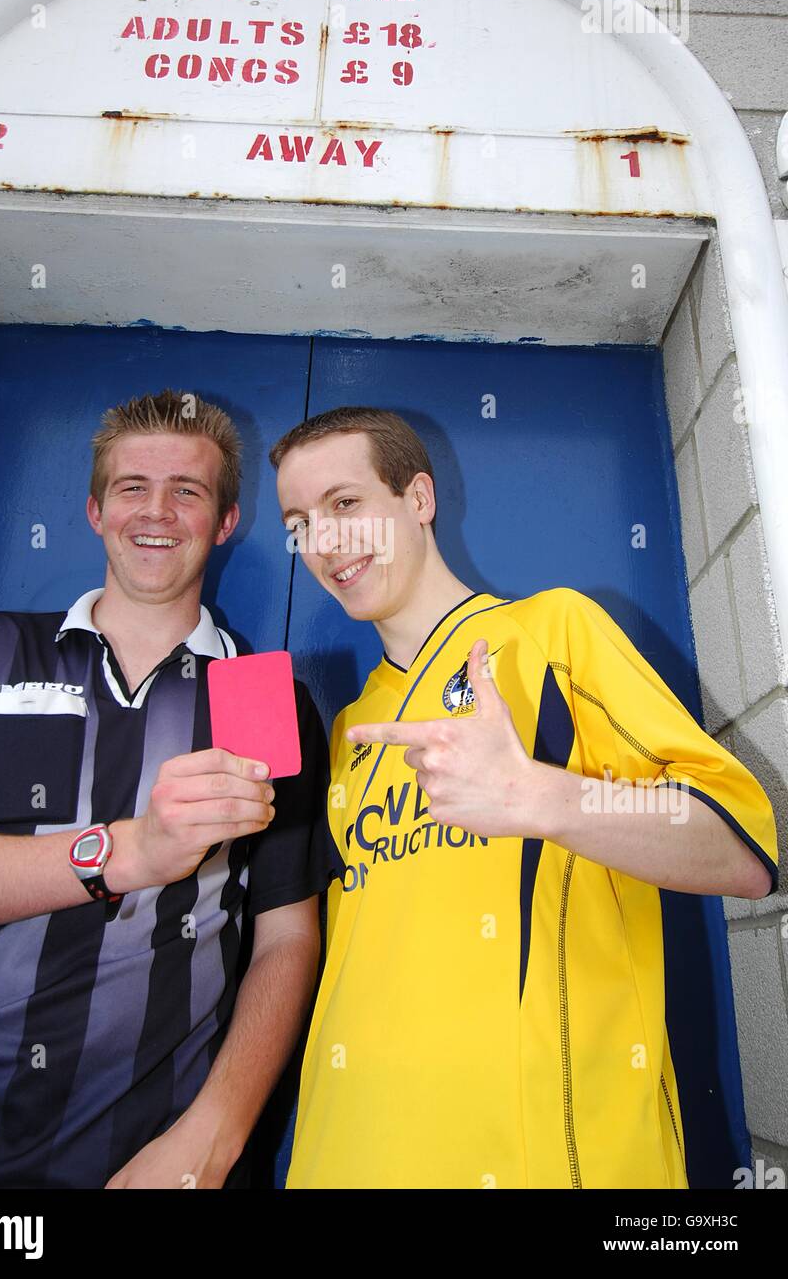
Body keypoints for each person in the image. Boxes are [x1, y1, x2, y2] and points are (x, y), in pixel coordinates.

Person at [269, 405, 779, 1190]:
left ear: (419, 499)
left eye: (345, 504)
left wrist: (543, 799)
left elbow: (744, 847)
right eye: (298, 521)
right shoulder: (351, 729)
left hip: (548, 1161)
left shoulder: (553, 634)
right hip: (346, 1159)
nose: (323, 542)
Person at [0, 389, 331, 1190]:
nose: (155, 511)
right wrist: (128, 851)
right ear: (95, 509)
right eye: (132, 486)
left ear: (226, 521)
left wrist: (215, 1136)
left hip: (148, 1156)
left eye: (187, 490)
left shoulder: (262, 698)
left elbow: (286, 939)